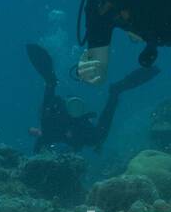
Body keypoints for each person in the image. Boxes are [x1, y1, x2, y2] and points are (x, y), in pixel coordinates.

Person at [25, 44, 157, 153]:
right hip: (69, 124)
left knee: (96, 136)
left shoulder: (47, 133)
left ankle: (51, 82)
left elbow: (38, 149)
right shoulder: (52, 134)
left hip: (61, 122)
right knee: (97, 137)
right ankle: (115, 92)